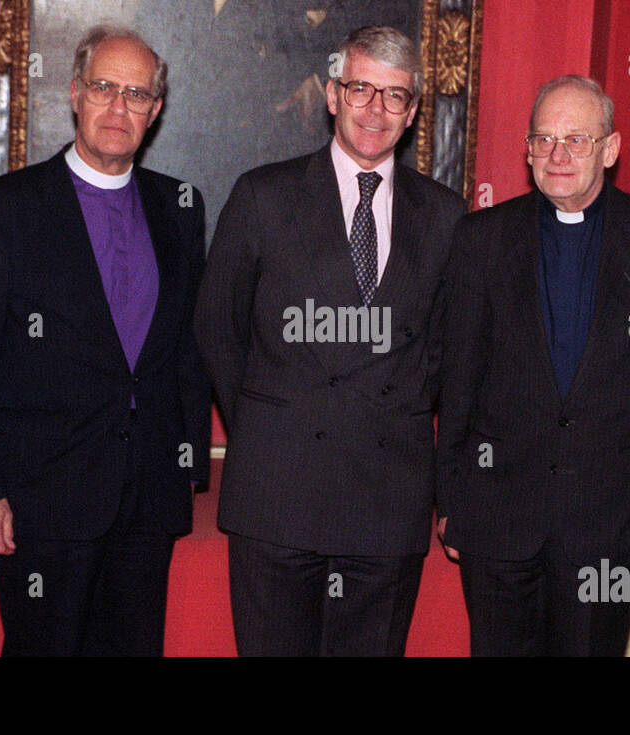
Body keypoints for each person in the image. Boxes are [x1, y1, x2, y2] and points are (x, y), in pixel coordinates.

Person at [195, 25, 466, 656]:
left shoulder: (448, 216)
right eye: (361, 88)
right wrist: (268, 425)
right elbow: (217, 327)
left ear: (414, 110)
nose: (376, 109)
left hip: (388, 498)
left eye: (395, 96)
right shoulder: (262, 196)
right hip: (277, 495)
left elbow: (450, 353)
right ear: (333, 95)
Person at [436, 75, 630, 656]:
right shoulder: (480, 239)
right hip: (496, 515)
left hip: (610, 517)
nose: (557, 155)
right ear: (528, 150)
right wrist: (451, 500)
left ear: (610, 150)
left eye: (576, 140)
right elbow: (458, 381)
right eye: (544, 139)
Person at [0, 25, 210, 656]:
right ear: (75, 93)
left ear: (155, 111)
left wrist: (186, 464)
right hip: (42, 496)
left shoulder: (180, 205)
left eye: (136, 94)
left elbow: (185, 345)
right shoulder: (5, 207)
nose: (118, 107)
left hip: (147, 496)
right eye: (104, 87)